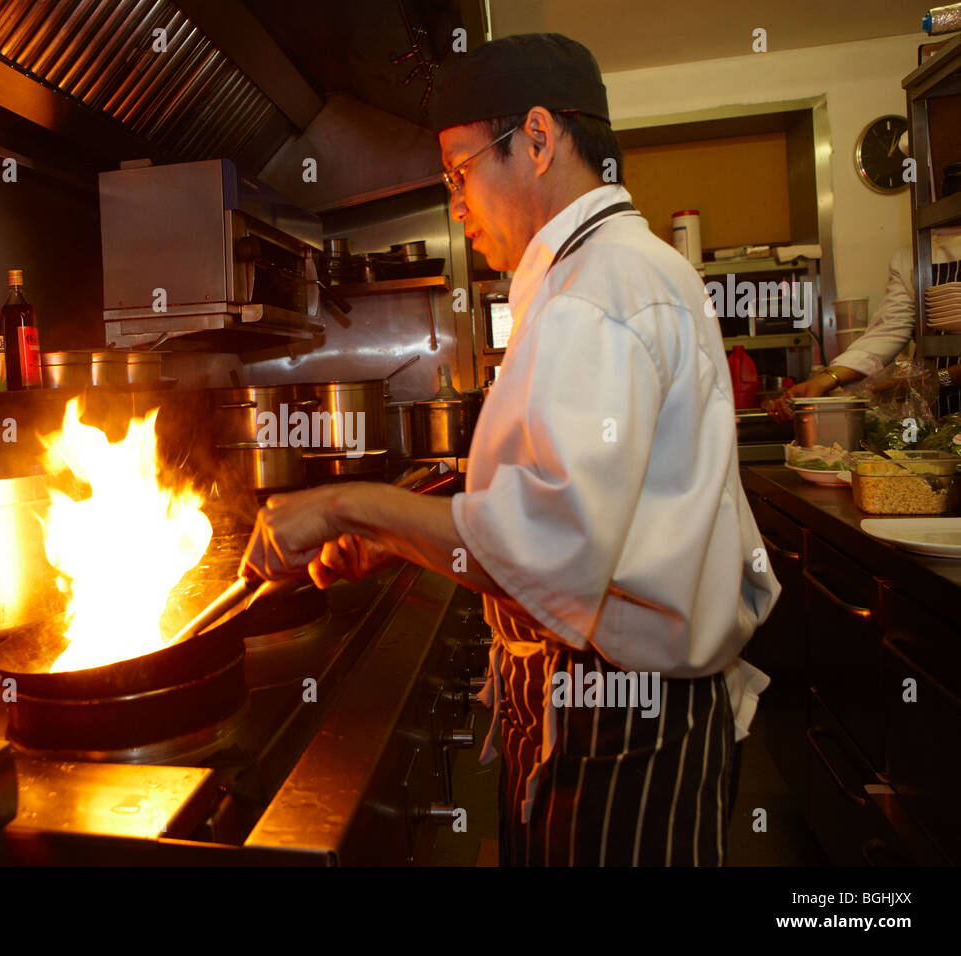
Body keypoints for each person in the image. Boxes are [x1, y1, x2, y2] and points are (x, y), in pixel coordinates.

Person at [240, 33, 779, 866]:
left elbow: (552, 545)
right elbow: (557, 509)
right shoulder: (602, 274)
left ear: (536, 138)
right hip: (611, 715)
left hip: (619, 728)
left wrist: (347, 503)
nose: (455, 204)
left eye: (457, 173)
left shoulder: (597, 291)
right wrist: (396, 538)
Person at [770, 229, 961, 420]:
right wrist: (826, 379)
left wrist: (938, 379)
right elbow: (888, 331)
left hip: (931, 387)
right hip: (933, 407)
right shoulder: (911, 257)